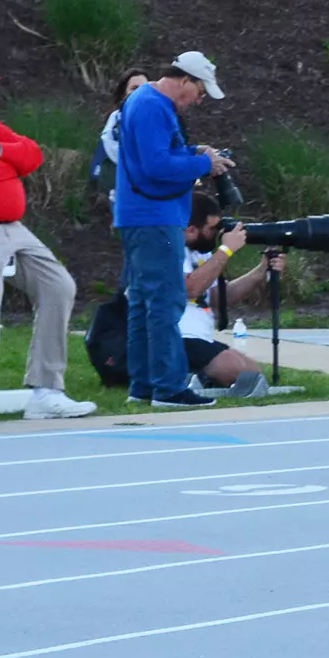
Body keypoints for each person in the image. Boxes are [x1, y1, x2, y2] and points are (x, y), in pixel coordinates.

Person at [0, 48, 95, 421]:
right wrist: (5, 166)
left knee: (59, 285)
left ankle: (46, 390)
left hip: (14, 227)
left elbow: (31, 154)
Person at [114, 51, 235, 408]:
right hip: (155, 217)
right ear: (184, 80)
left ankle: (143, 385)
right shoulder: (153, 106)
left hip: (142, 216)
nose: (199, 100)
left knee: (143, 302)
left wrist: (196, 151)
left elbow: (158, 154)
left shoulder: (147, 101)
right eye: (200, 91)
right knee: (166, 302)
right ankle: (168, 388)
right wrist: (202, 164)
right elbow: (157, 166)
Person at [179, 191, 284, 386]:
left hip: (199, 339)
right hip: (177, 337)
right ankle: (190, 378)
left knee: (253, 373)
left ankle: (196, 378)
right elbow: (191, 288)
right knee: (240, 372)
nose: (217, 233)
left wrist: (261, 271)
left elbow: (217, 297)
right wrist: (226, 250)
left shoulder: (201, 252)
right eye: (212, 228)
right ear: (191, 230)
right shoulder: (172, 248)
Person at [94, 68, 150, 206]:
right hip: (119, 188)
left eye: (144, 88)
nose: (139, 93)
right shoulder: (116, 119)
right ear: (124, 92)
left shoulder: (158, 120)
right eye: (134, 88)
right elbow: (108, 149)